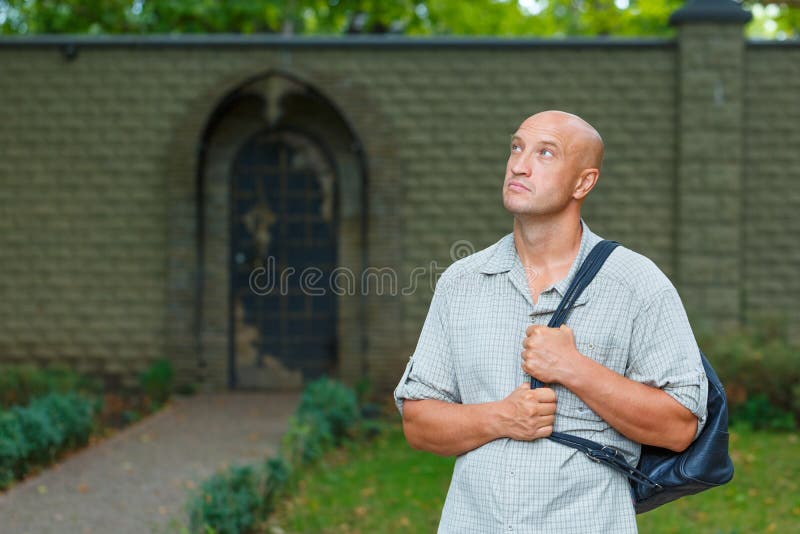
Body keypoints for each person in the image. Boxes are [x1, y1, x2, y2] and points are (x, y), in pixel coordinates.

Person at [393, 110, 708, 533]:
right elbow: (418, 422)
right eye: (517, 147)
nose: (519, 164)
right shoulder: (462, 282)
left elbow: (680, 426)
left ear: (584, 182)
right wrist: (501, 418)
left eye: (545, 153)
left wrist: (574, 369)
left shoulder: (636, 284)